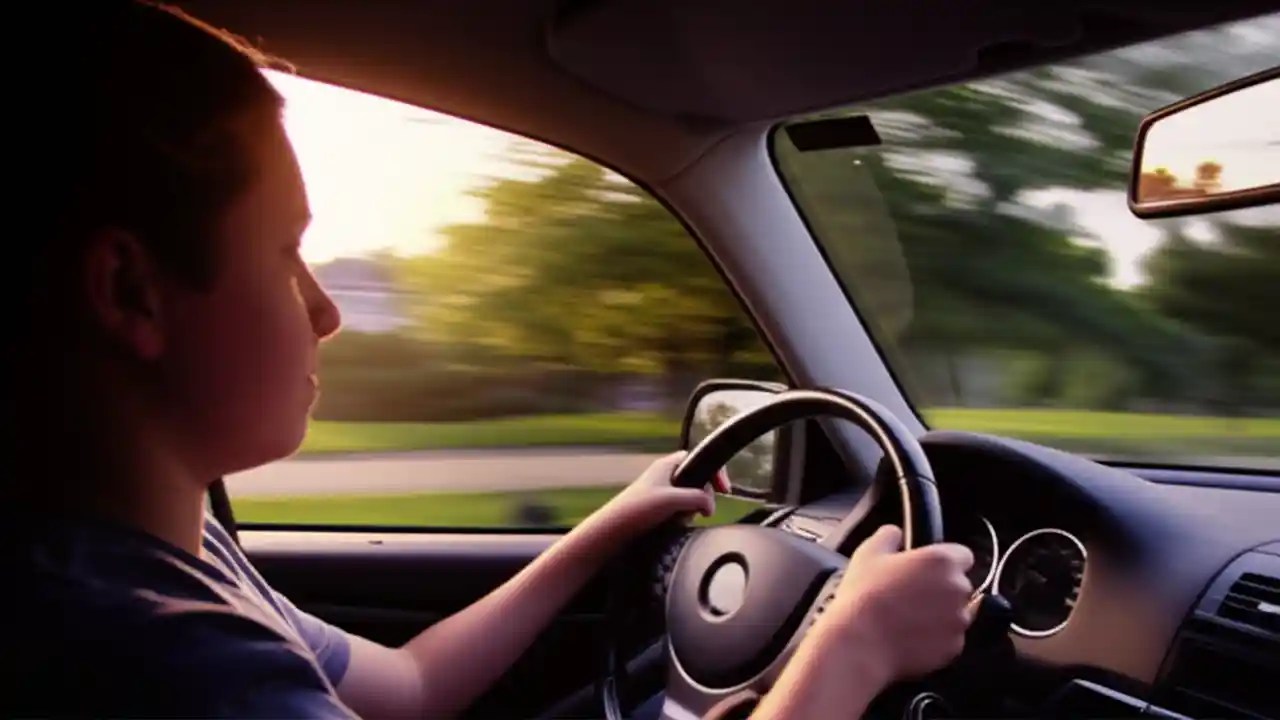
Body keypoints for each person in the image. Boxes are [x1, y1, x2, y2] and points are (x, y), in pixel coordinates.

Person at [2, 2, 976, 717]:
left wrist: (606, 530)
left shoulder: (168, 564)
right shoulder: (152, 658)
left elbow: (413, 686)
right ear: (132, 292)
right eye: (284, 250)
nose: (327, 311)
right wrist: (848, 653)